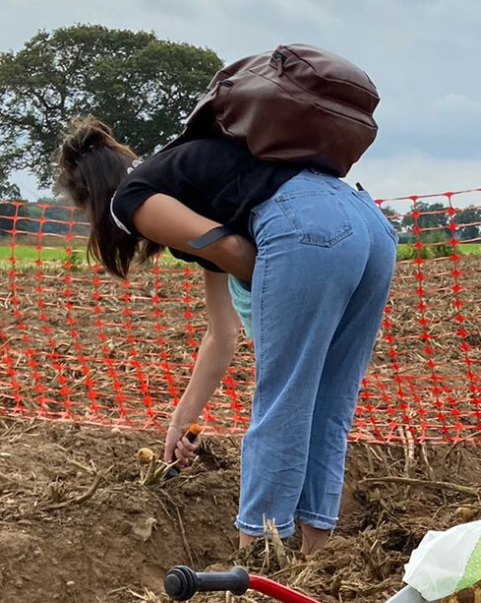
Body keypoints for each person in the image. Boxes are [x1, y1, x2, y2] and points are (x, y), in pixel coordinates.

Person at [54, 117, 395, 557]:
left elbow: (236, 254)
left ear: (92, 197)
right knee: (330, 403)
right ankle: (317, 561)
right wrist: (180, 423)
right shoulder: (199, 184)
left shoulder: (130, 199)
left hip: (309, 225)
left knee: (283, 403)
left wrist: (292, 290)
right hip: (368, 222)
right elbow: (223, 333)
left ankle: (256, 565)